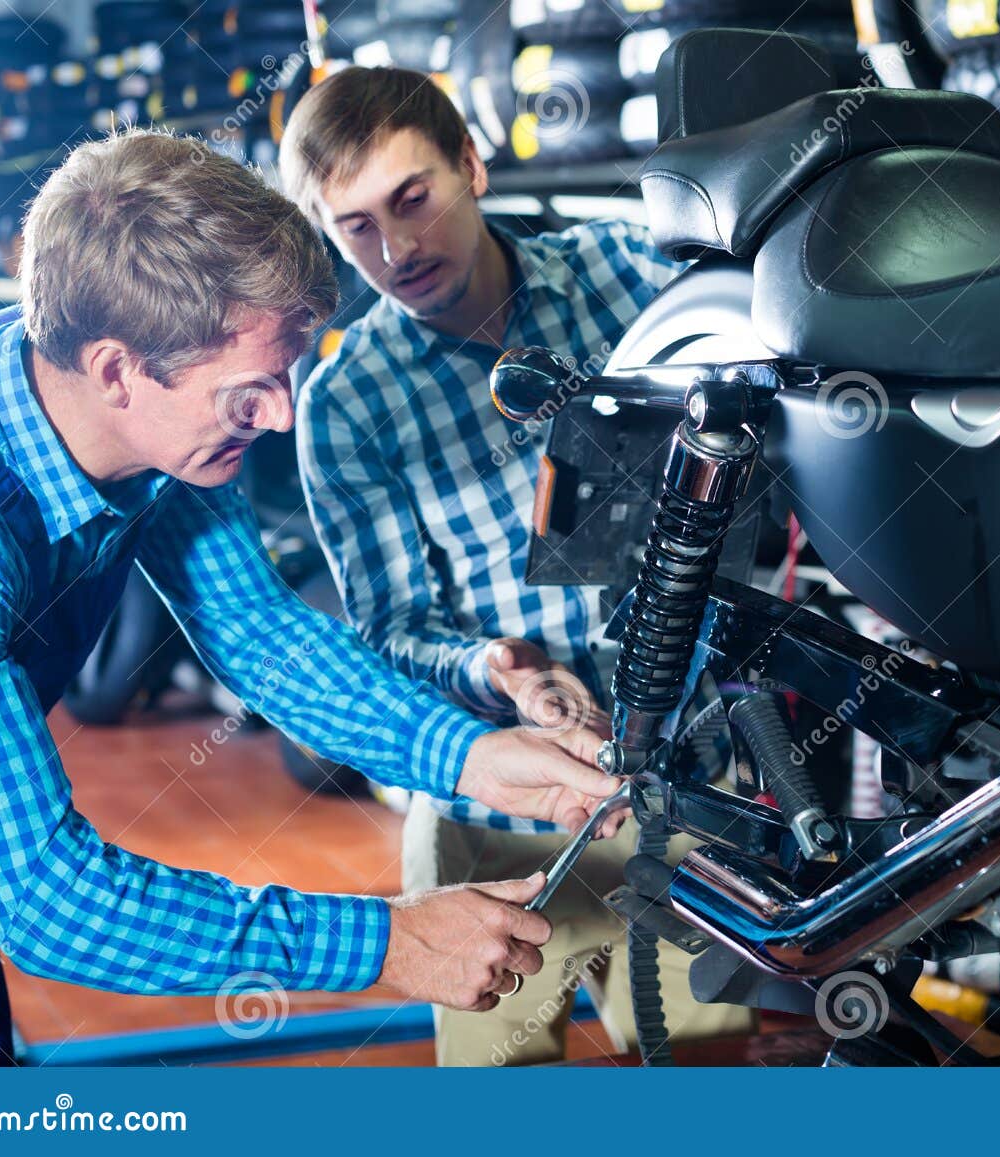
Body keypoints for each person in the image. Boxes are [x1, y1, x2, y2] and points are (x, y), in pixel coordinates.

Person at [0, 129, 624, 1067]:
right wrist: (389, 943)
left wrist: (478, 757)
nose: (283, 415)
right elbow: (49, 902)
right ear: (119, 370)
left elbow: (259, 633)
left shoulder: (114, 401)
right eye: (250, 391)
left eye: (288, 374)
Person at [281, 66, 755, 1065]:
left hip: (677, 792)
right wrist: (504, 666)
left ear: (470, 163)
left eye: (413, 198)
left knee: (708, 1073)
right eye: (356, 225)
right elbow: (389, 627)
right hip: (488, 831)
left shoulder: (630, 277)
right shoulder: (344, 401)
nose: (397, 248)